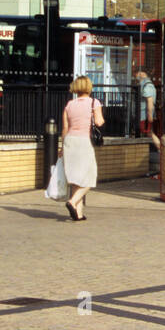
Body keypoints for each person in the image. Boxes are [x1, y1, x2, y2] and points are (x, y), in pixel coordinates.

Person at [60, 75, 104, 221]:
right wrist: (100, 119)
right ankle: (72, 202)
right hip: (84, 141)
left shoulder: (69, 104)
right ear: (88, 87)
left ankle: (78, 213)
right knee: (90, 177)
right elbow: (98, 122)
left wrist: (61, 147)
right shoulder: (94, 102)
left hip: (69, 142)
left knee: (75, 178)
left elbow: (65, 128)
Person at [136, 69, 161, 176]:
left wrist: (150, 115)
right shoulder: (145, 84)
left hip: (145, 115)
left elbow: (149, 101)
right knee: (148, 133)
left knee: (150, 133)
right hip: (144, 114)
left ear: (142, 74)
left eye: (136, 73)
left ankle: (161, 149)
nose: (135, 76)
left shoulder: (147, 86)